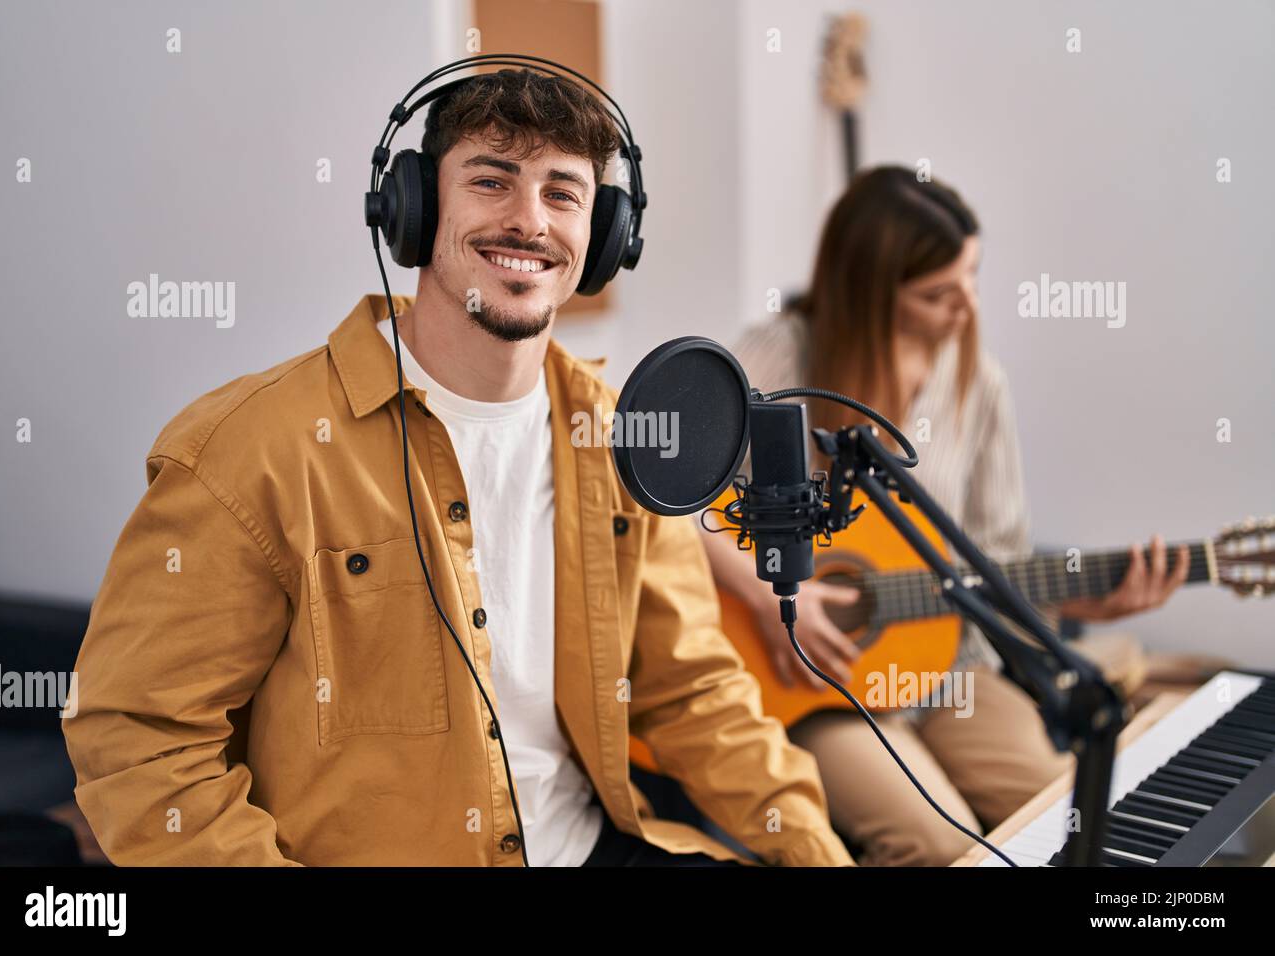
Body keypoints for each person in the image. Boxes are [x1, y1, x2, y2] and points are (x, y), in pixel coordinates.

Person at [62, 67, 851, 867]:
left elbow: (692, 693)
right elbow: (140, 743)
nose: (527, 221)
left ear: (606, 236)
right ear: (415, 205)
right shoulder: (246, 449)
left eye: (563, 193)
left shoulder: (621, 437)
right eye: (491, 180)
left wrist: (816, 852)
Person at [700, 165, 1189, 866]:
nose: (966, 304)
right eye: (937, 292)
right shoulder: (784, 355)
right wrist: (772, 592)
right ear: (870, 295)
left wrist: (1097, 605)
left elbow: (997, 556)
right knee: (942, 845)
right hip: (809, 680)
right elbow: (673, 508)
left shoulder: (977, 381)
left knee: (1071, 812)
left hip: (951, 668)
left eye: (973, 276)